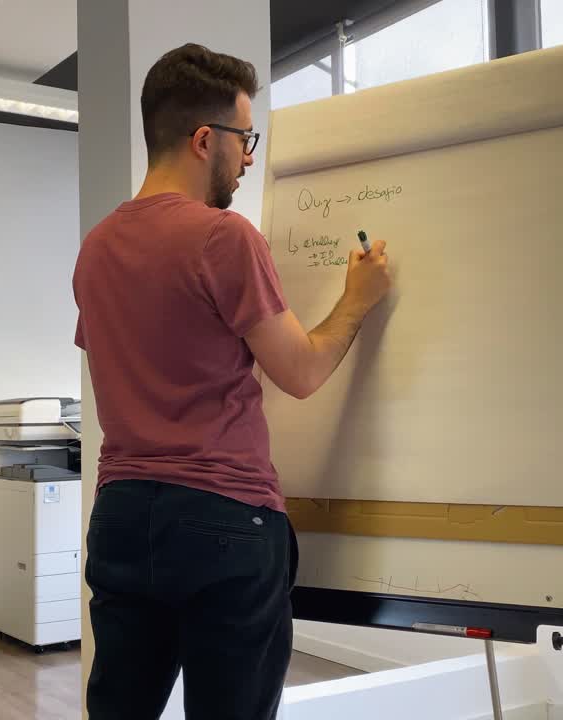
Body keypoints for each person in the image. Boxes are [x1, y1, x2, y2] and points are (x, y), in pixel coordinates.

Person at [73, 43, 392, 720]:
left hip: (122, 514)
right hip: (222, 518)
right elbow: (301, 371)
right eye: (244, 139)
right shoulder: (225, 237)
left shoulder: (96, 249)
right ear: (203, 140)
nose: (248, 158)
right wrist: (357, 298)